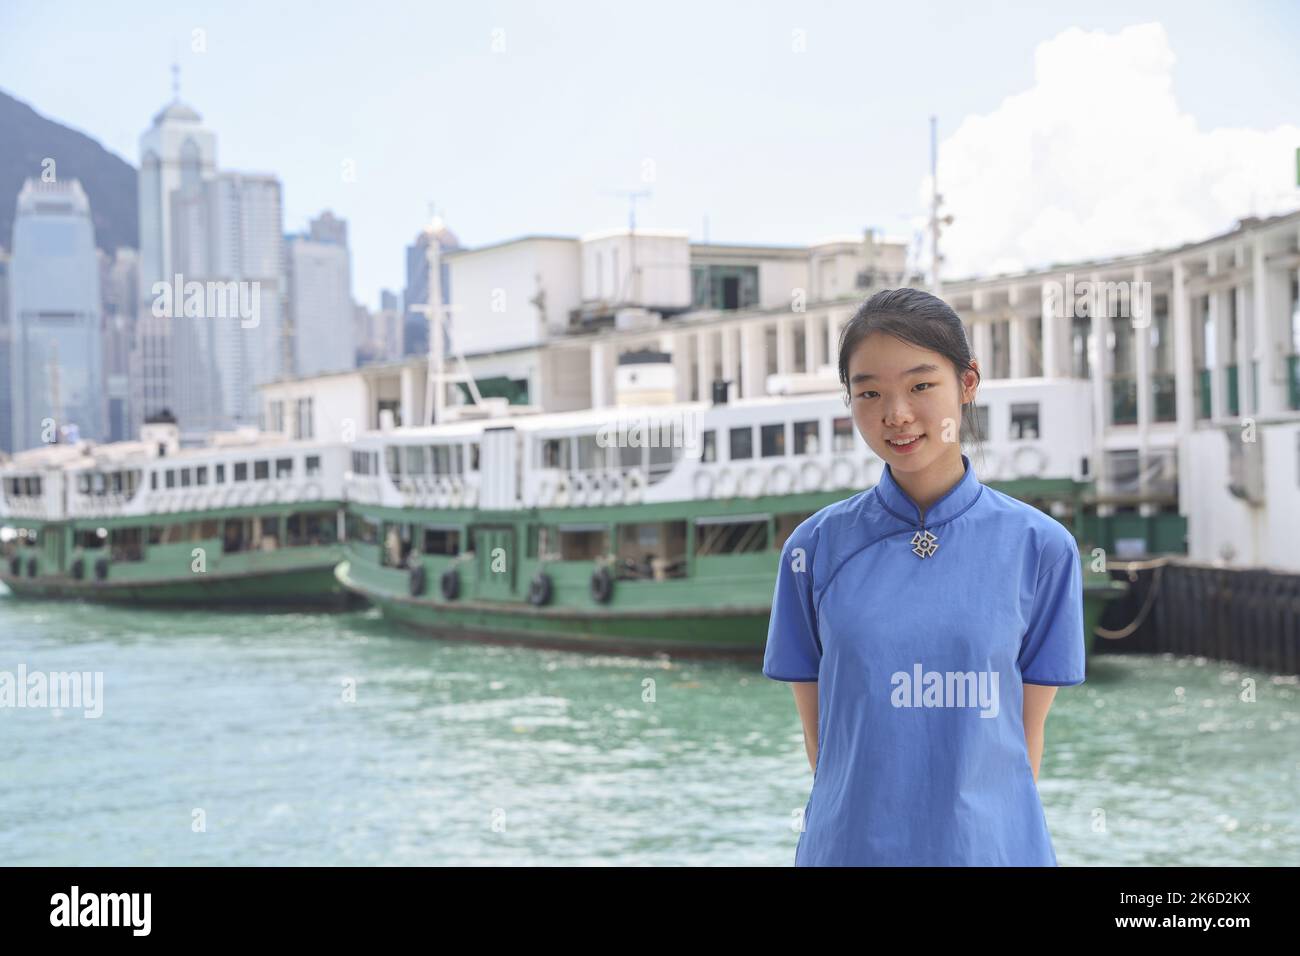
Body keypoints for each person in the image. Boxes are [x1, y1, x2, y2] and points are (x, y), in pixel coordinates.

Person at [763, 288, 1086, 866]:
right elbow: (827, 750)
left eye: (919, 385)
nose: (897, 414)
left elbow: (1020, 747)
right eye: (870, 393)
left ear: (966, 385)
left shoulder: (1043, 549)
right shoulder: (812, 550)